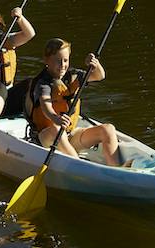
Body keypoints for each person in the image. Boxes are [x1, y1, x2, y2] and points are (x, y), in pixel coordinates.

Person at [28, 37, 121, 166]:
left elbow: (99, 76)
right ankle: (80, 166)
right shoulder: (43, 83)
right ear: (46, 60)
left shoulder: (73, 76)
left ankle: (116, 169)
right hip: (46, 137)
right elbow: (45, 106)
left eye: (65, 60)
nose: (62, 65)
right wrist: (56, 118)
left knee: (108, 129)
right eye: (57, 61)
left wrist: (95, 65)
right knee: (56, 130)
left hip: (70, 135)